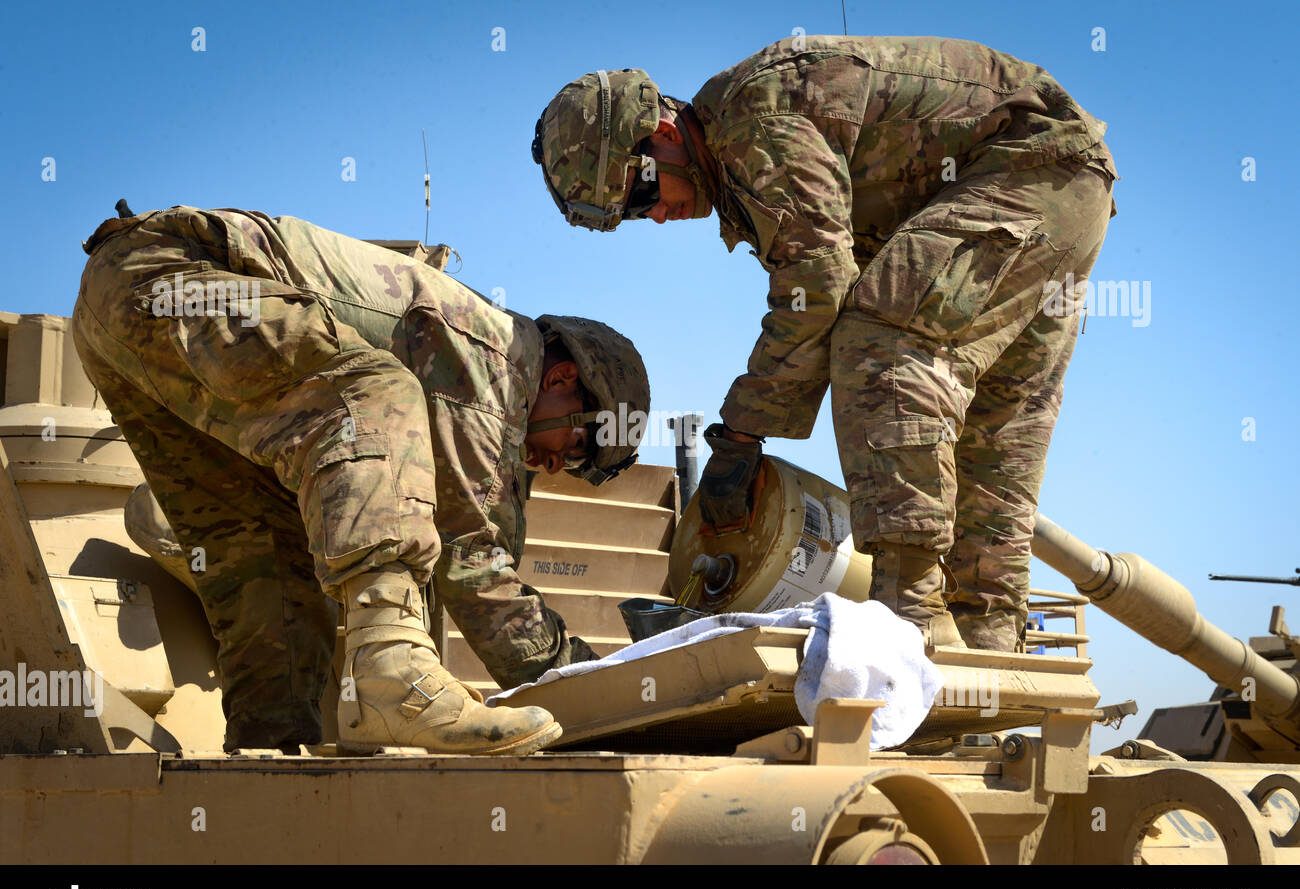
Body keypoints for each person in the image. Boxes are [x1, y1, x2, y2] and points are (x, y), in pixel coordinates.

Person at [533, 35, 1117, 652]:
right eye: (629, 214)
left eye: (642, 192)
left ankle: (907, 627)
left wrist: (739, 435)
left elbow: (817, 289)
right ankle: (982, 671)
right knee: (994, 439)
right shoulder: (741, 152)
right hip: (1063, 195)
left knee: (880, 341)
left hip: (1029, 170)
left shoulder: (752, 119)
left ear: (665, 131)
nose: (651, 216)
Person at [71, 204, 649, 754]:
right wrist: (590, 689)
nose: (555, 467)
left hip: (118, 302)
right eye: (578, 445)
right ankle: (391, 676)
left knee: (262, 541)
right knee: (373, 391)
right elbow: (473, 566)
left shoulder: (485, 369)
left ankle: (267, 739)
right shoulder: (490, 361)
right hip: (167, 271)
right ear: (563, 378)